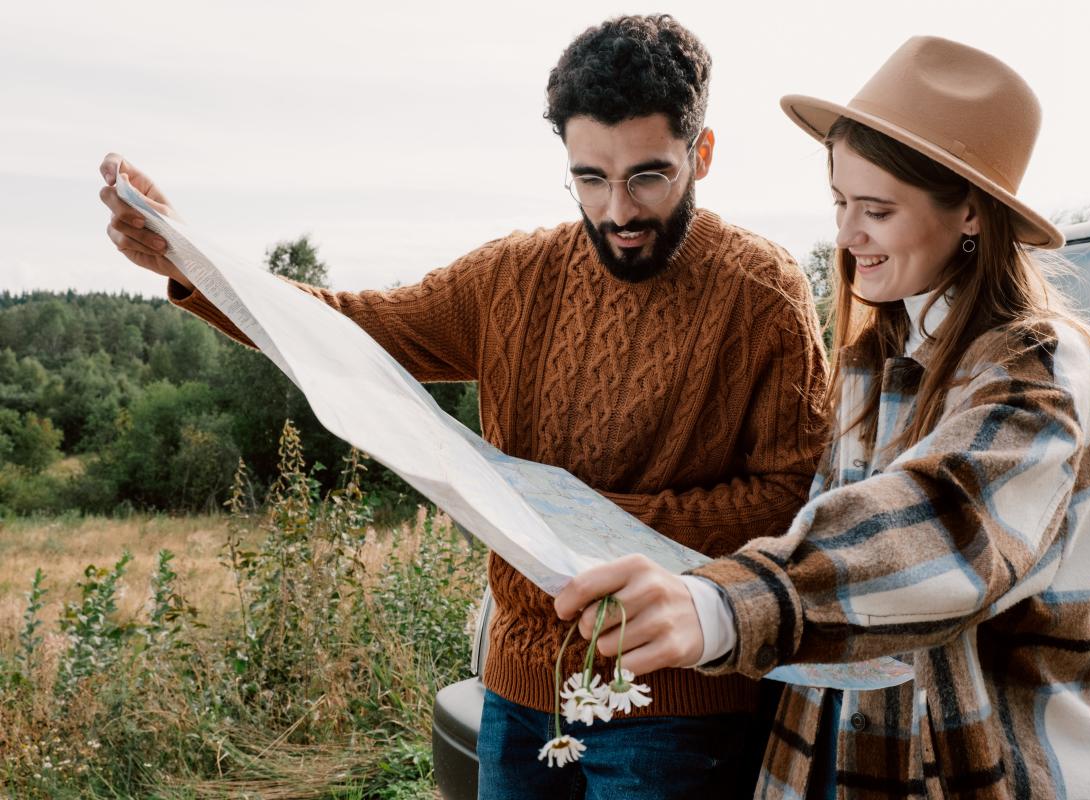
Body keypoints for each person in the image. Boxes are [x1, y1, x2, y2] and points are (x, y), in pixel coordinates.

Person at [98, 14, 829, 800]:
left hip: (680, 705)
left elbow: (792, 496)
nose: (617, 210)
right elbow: (351, 326)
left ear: (702, 154)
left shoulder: (763, 293)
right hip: (515, 696)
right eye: (589, 177)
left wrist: (586, 526)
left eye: (648, 176)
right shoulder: (513, 277)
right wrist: (194, 263)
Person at [555, 36, 1090, 799]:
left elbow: (942, 529)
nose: (847, 235)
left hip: (971, 776)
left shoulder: (1039, 368)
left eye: (878, 210)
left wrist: (725, 603)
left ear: (969, 212)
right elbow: (827, 530)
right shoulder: (873, 361)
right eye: (840, 203)